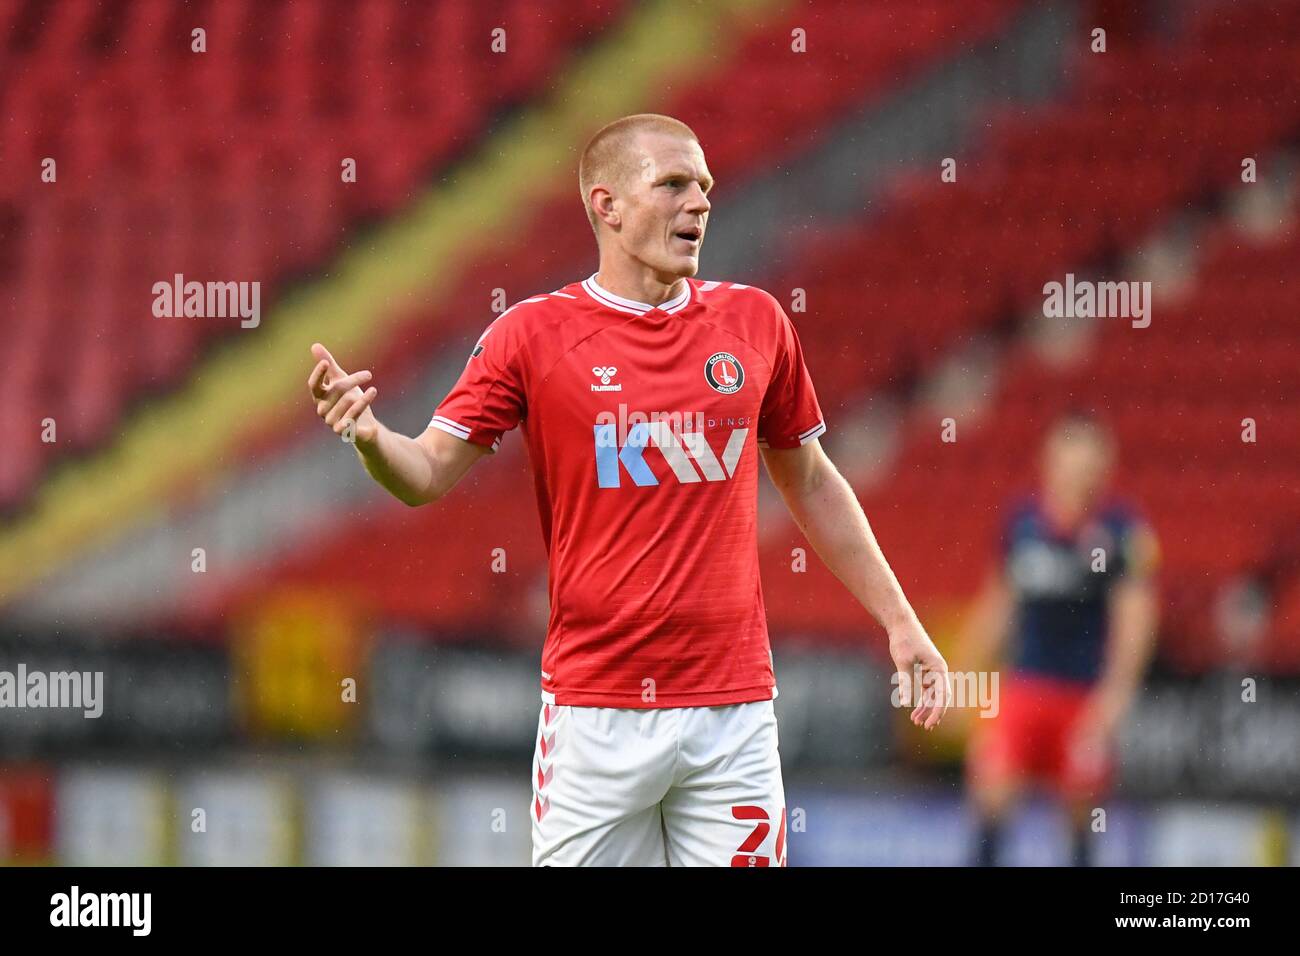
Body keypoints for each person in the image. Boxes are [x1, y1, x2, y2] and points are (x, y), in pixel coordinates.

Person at [307, 113, 949, 866]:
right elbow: (423, 473)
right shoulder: (531, 335)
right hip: (595, 718)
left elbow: (808, 476)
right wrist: (370, 436)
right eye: (673, 184)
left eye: (704, 186)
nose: (699, 203)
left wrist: (899, 619)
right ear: (605, 205)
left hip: (731, 715)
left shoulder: (757, 323)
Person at [961, 411, 1159, 866]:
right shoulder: (1022, 522)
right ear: (1049, 461)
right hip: (1025, 687)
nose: (1079, 472)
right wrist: (962, 677)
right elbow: (999, 605)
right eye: (1070, 460)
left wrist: (1114, 698)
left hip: (1083, 694)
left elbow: (1136, 621)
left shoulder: (1123, 532)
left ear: (1104, 468)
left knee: (1078, 816)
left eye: (1089, 463)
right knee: (991, 798)